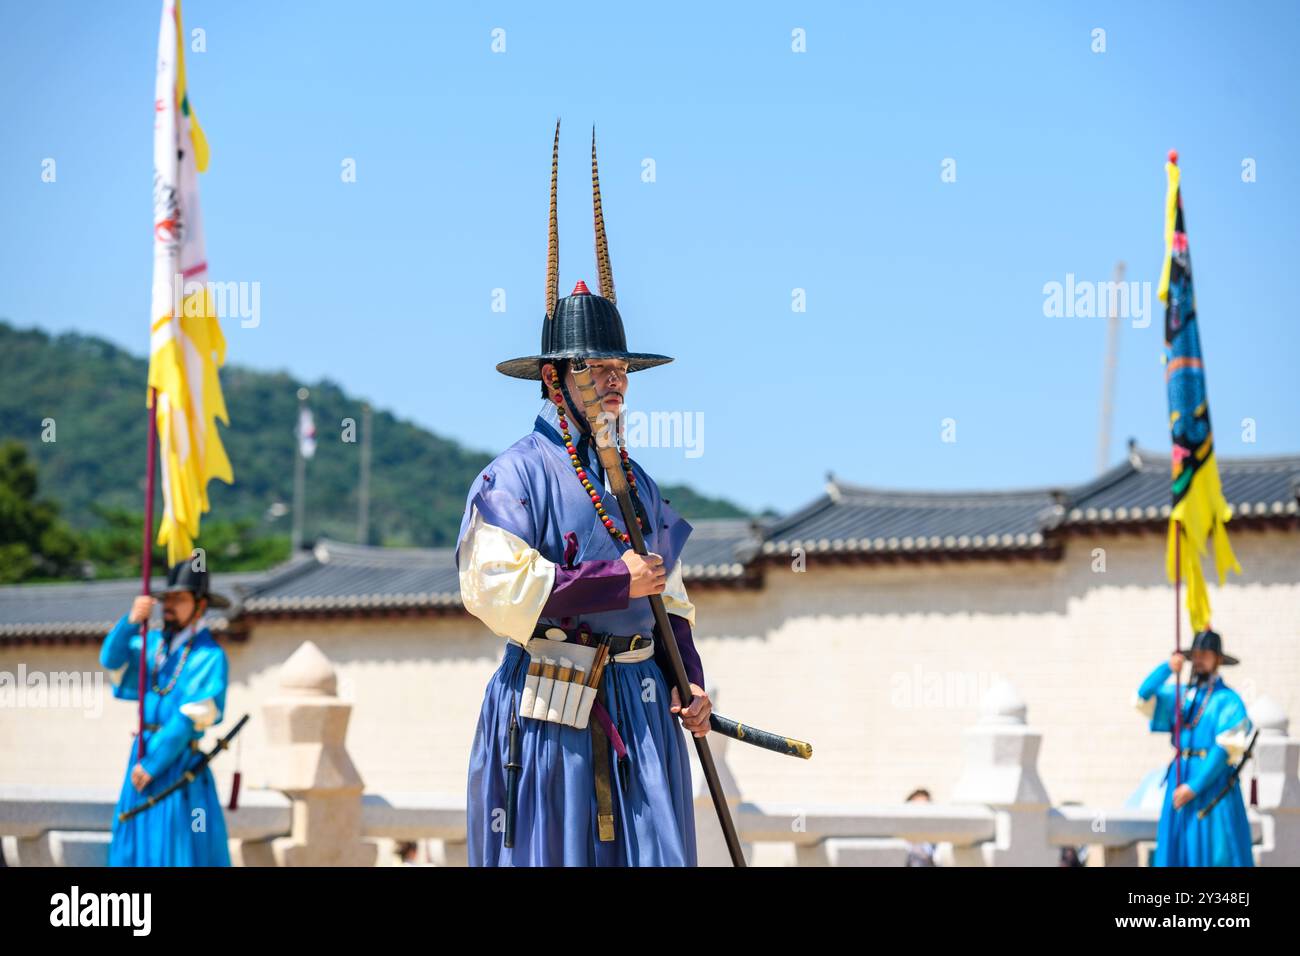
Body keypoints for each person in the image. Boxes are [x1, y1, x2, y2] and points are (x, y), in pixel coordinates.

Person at [457, 122, 709, 866]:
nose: (613, 381)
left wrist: (689, 681)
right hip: (551, 707)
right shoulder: (516, 476)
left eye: (620, 369)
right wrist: (610, 579)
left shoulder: (639, 484)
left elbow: (674, 599)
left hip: (642, 705)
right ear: (553, 377)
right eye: (595, 367)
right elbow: (494, 590)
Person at [100, 558, 232, 866]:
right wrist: (130, 622)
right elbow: (111, 660)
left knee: (175, 842)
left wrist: (154, 762)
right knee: (134, 837)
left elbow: (189, 717)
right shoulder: (153, 645)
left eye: (180, 599)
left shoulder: (209, 656)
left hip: (175, 761)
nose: (169, 606)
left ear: (200, 607)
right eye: (167, 599)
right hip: (142, 754)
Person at [1134, 628, 1253, 866]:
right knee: (1176, 846)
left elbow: (1225, 748)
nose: (1198, 659)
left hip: (1211, 781)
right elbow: (1142, 696)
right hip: (1180, 775)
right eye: (1195, 654)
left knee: (1214, 849)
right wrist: (1167, 668)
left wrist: (1194, 786)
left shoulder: (1228, 700)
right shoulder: (1182, 694)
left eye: (1205, 654)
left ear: (1217, 659)